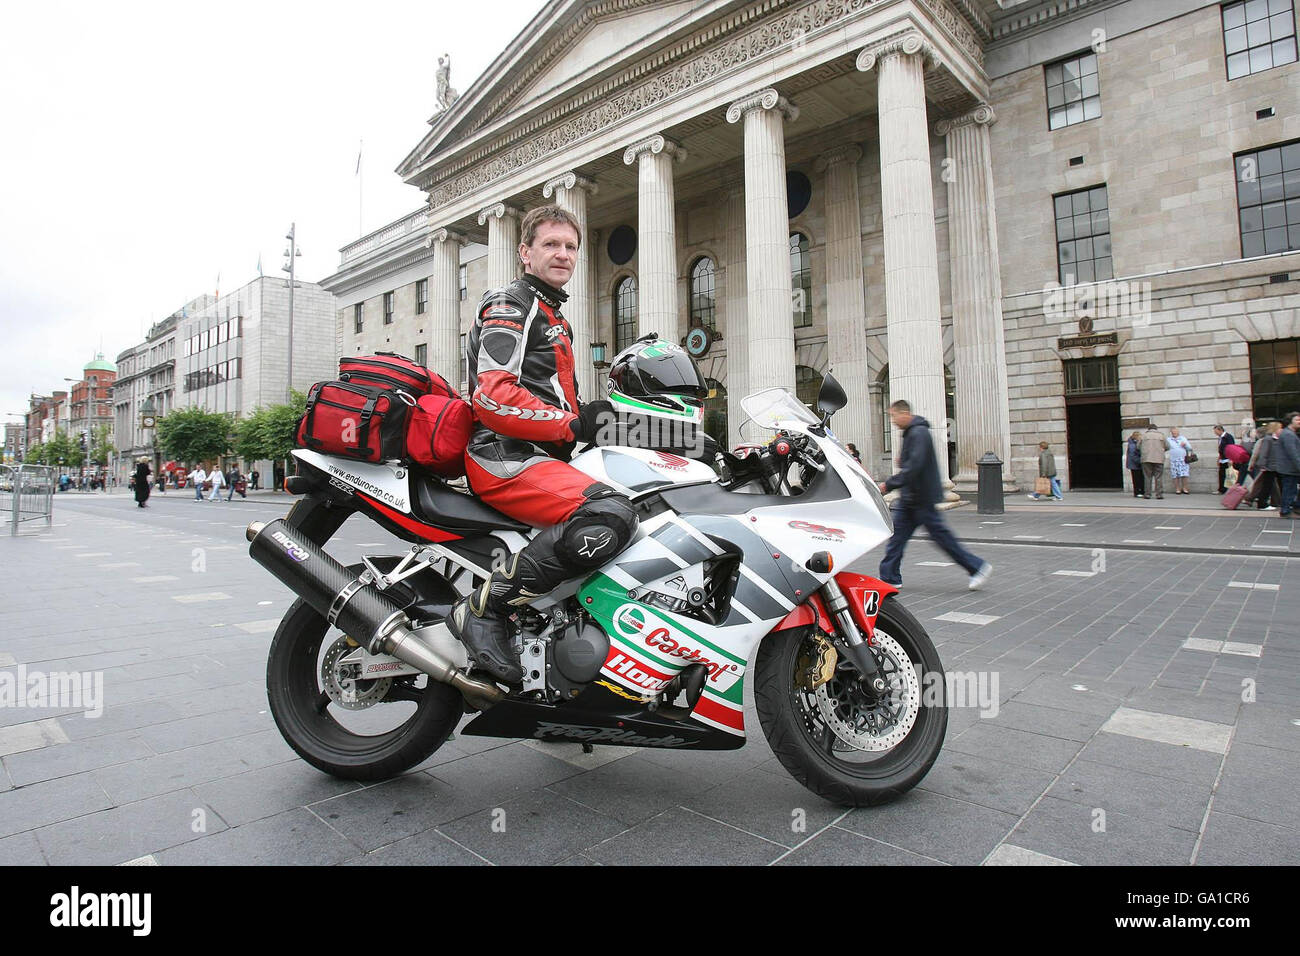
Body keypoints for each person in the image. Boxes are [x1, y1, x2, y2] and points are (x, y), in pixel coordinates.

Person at [447, 204, 641, 685]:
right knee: (609, 514)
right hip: (504, 455)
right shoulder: (510, 305)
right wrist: (572, 425)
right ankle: (482, 609)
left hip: (540, 456)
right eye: (550, 244)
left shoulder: (553, 313)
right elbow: (492, 396)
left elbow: (550, 395)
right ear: (524, 253)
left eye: (570, 247)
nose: (563, 254)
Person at [877, 399, 991, 591]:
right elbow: (912, 462)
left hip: (921, 497)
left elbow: (915, 466)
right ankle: (889, 577)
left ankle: (977, 567)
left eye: (893, 415)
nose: (893, 420)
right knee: (897, 538)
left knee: (941, 537)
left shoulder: (918, 433)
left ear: (904, 414)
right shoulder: (911, 433)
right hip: (911, 498)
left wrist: (888, 484)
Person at [1246, 421, 1281, 510]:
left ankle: (1273, 502)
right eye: (1280, 428)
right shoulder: (1268, 439)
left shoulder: (1274, 439)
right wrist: (1262, 466)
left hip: (1274, 466)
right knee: (1266, 485)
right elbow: (1262, 454)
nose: (1281, 430)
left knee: (1269, 485)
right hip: (1268, 467)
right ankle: (1261, 503)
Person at [1276, 412, 1300, 519]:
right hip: (1289, 468)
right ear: (1290, 421)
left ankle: (1295, 506)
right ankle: (1285, 510)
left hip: (1290, 468)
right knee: (1289, 489)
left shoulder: (1289, 433)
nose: (1299, 422)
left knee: (1291, 489)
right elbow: (1293, 453)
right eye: (1297, 420)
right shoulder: (1288, 434)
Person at [1140, 423, 1166, 499]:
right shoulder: (1162, 435)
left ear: (1148, 429)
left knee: (1147, 477)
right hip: (1159, 459)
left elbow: (1138, 446)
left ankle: (1147, 494)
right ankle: (1159, 494)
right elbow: (1167, 446)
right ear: (1156, 429)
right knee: (1159, 477)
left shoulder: (1143, 436)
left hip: (1146, 458)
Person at [1167, 426, 1192, 495]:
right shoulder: (1169, 439)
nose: (1174, 433)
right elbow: (1166, 447)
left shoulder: (1183, 438)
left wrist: (1185, 445)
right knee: (1175, 475)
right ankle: (1177, 489)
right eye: (1173, 432)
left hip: (1183, 459)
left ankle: (1185, 488)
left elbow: (1190, 448)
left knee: (1184, 474)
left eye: (1175, 432)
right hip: (1173, 459)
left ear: (1178, 432)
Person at [1214, 425, 1237, 494]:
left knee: (1229, 475)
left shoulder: (1228, 437)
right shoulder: (1220, 438)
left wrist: (1231, 459)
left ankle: (1229, 490)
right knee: (1221, 474)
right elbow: (1220, 449)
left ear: (1220, 430)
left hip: (1227, 459)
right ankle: (1221, 489)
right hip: (1222, 458)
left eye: (1216, 431)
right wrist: (1219, 458)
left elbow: (1231, 448)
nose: (1215, 433)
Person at [1126, 430, 1144, 498]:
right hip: (1135, 465)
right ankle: (1137, 492)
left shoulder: (1133, 443)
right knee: (1137, 479)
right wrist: (1140, 461)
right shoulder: (1132, 445)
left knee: (1138, 478)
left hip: (1135, 464)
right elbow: (1133, 456)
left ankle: (1140, 491)